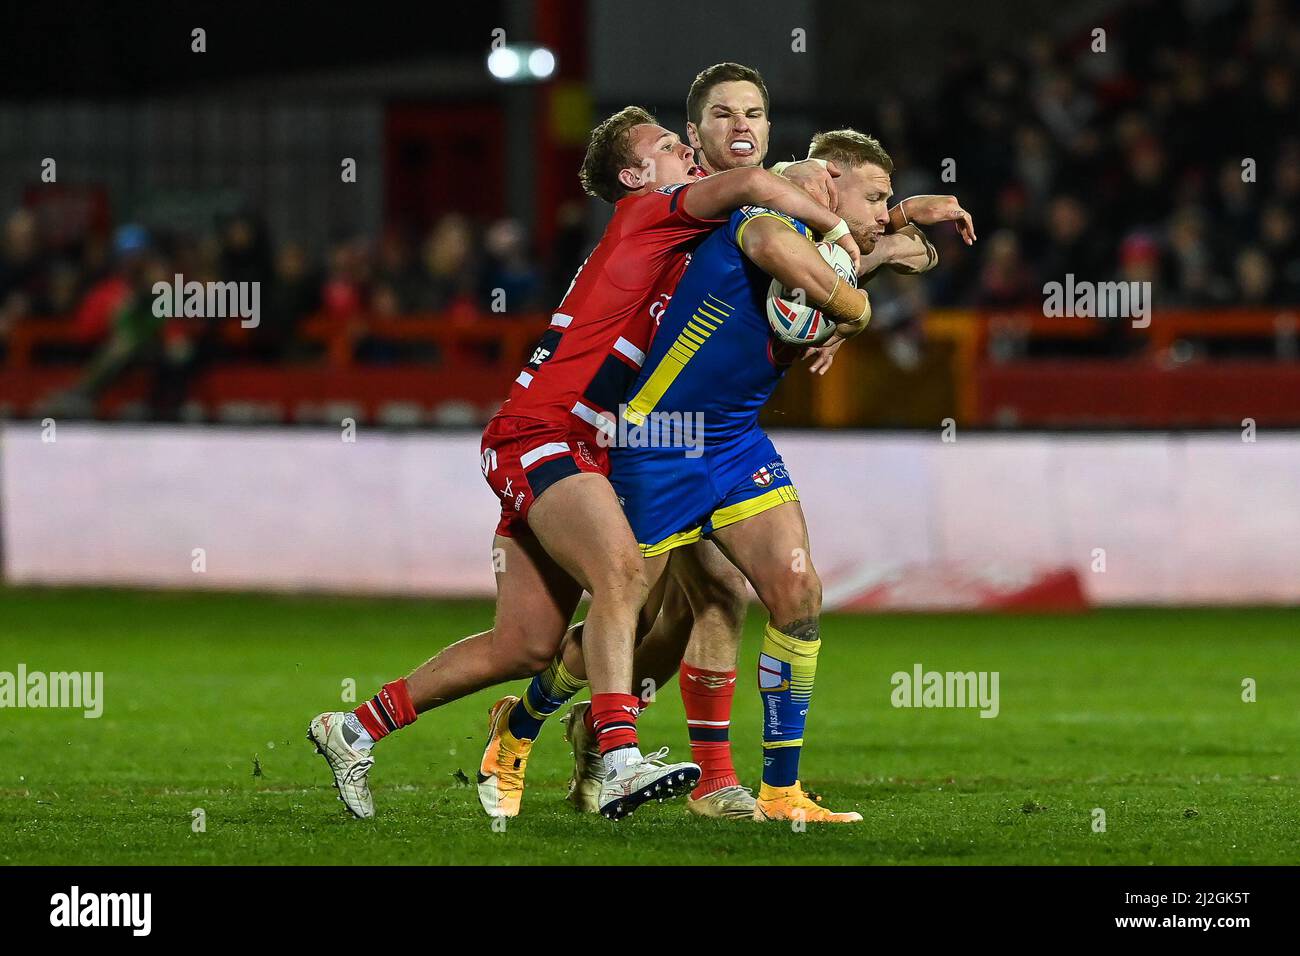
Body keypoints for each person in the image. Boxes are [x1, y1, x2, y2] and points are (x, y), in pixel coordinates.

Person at [308, 104, 860, 821]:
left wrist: (892, 223)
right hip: (544, 432)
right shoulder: (647, 215)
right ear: (634, 176)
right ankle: (620, 755)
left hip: (577, 442)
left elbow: (768, 245)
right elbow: (749, 183)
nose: (687, 152)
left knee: (526, 644)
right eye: (669, 145)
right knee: (622, 575)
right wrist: (839, 230)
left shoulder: (677, 246)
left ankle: (352, 730)